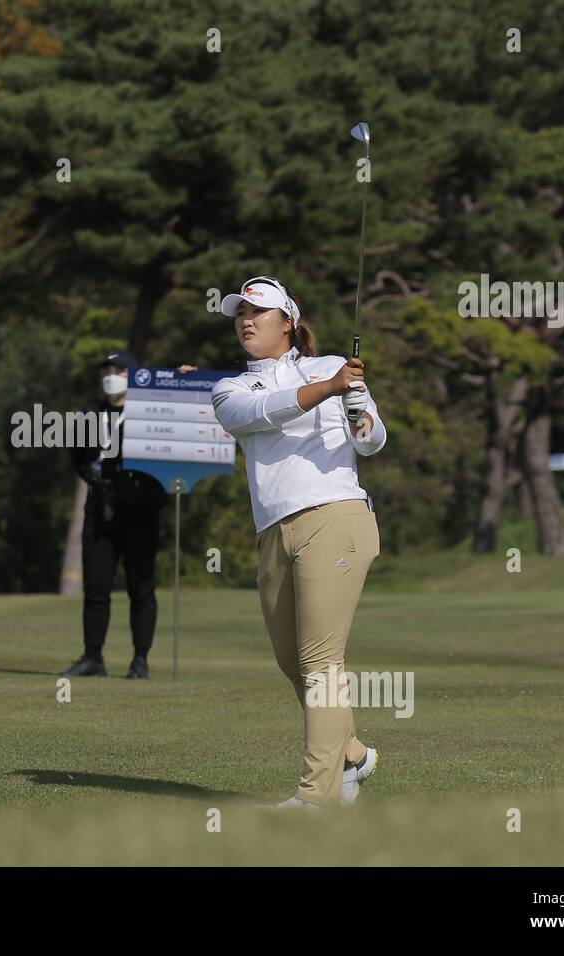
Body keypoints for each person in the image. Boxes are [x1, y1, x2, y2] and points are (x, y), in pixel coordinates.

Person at [211, 276, 387, 808]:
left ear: (287, 321)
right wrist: (330, 389)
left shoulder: (328, 367)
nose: (245, 320)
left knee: (320, 661)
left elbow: (372, 443)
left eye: (258, 312)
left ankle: (316, 797)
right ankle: (352, 756)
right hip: (273, 529)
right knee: (293, 663)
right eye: (240, 313)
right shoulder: (231, 388)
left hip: (335, 514)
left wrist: (357, 407)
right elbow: (255, 416)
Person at [62, 350, 169, 679]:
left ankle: (140, 660)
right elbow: (78, 457)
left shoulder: (152, 411)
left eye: (119, 370)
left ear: (135, 376)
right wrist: (97, 481)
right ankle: (93, 657)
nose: (111, 376)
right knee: (96, 587)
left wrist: (183, 378)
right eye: (107, 370)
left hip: (140, 509)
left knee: (141, 587)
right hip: (101, 509)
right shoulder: (91, 412)